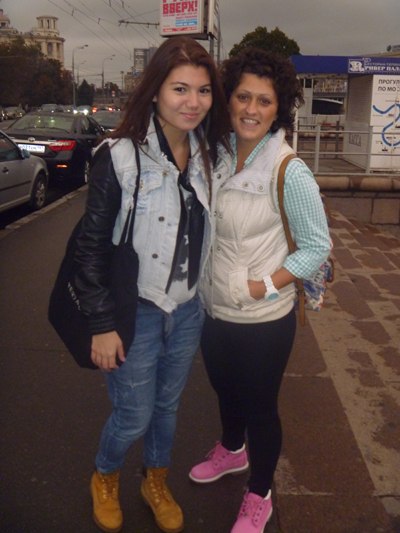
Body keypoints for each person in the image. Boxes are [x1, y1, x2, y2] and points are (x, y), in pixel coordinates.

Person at [73, 36, 230, 533]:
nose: (192, 102)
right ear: (156, 90)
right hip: (134, 311)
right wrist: (102, 324)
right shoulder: (120, 157)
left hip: (186, 309)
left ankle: (154, 481)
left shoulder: (211, 155)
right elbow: (89, 248)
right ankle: (104, 474)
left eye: (203, 90)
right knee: (133, 415)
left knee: (166, 408)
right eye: (180, 88)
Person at [189, 48, 332, 533]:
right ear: (229, 99)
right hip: (214, 308)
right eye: (243, 97)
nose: (251, 109)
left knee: (259, 407)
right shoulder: (218, 152)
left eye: (264, 101)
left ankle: (260, 493)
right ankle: (232, 450)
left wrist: (264, 286)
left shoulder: (288, 170)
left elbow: (317, 246)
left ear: (278, 108)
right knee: (224, 389)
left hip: (262, 318)